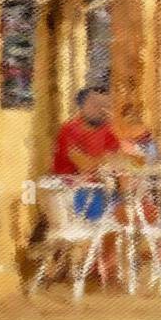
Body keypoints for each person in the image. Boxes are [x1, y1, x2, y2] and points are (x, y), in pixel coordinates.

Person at [52, 87, 121, 223]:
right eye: (96, 105)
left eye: (106, 105)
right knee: (127, 213)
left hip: (102, 190)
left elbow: (119, 160)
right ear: (82, 106)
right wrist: (108, 160)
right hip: (74, 194)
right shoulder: (69, 130)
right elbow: (85, 166)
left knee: (141, 205)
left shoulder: (108, 130)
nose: (103, 110)